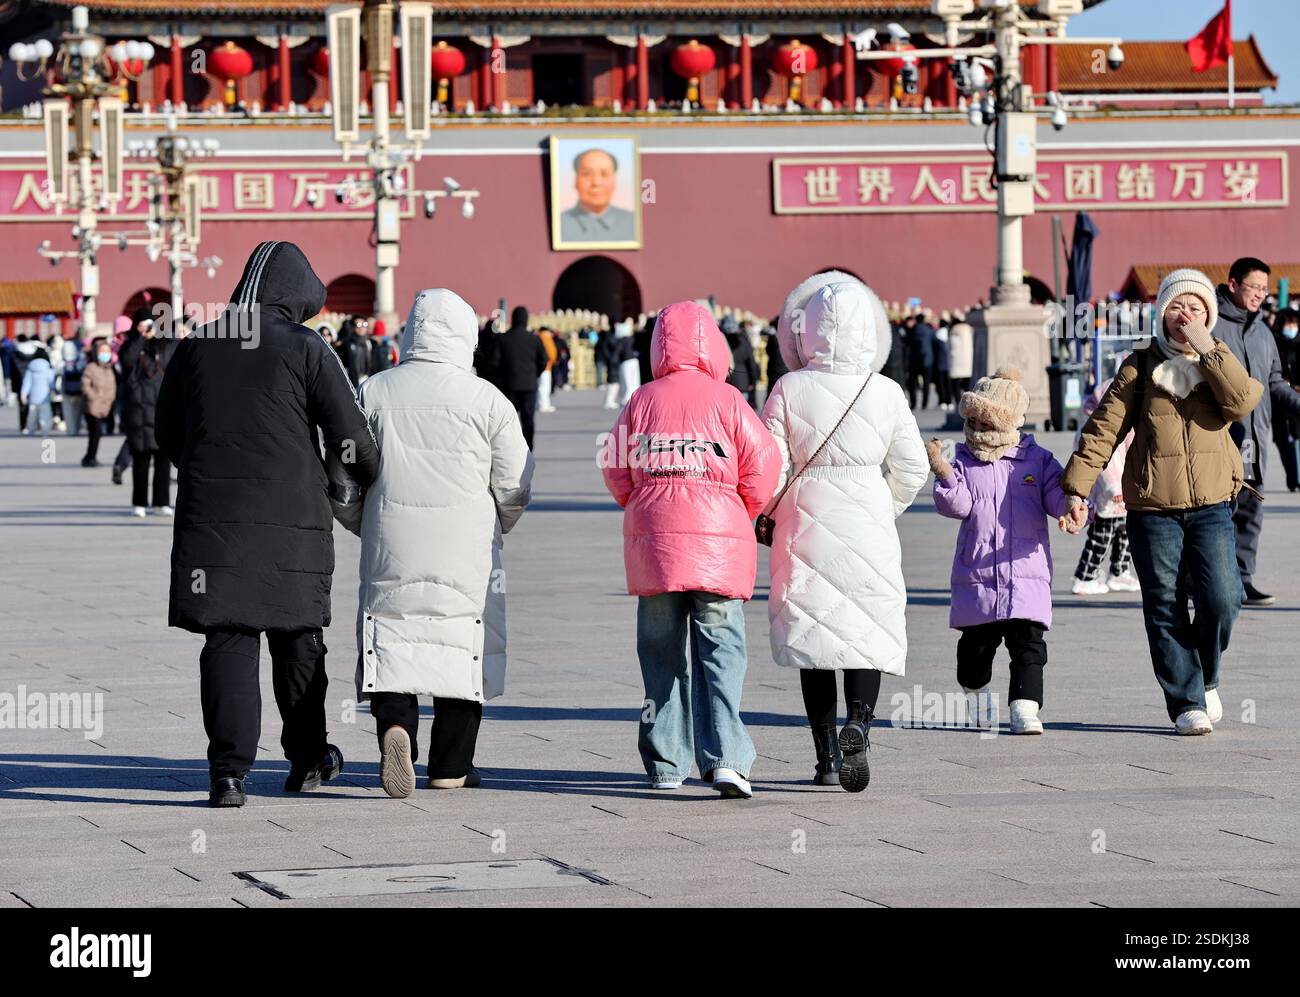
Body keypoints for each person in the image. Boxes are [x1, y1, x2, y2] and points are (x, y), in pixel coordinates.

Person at [157, 240, 380, 807]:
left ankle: (228, 774)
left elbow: (167, 436)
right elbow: (349, 433)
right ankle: (307, 759)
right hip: (294, 522)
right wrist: (369, 476)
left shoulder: (195, 346)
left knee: (228, 637)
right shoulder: (307, 347)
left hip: (213, 524)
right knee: (298, 637)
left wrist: (210, 472)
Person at [331, 289, 533, 797]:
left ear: (410, 334)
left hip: (390, 540)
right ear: (465, 337)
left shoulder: (372, 391)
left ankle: (396, 727)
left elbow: (341, 470)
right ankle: (450, 766)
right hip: (467, 547)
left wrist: (363, 520)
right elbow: (515, 482)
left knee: (393, 636)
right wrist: (499, 522)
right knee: (463, 644)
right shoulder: (488, 400)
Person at [1062, 269, 1263, 735]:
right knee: (1164, 603)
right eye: (1176, 307)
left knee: (1223, 597)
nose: (1185, 315)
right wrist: (1076, 488)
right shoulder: (1138, 366)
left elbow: (1240, 401)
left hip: (1212, 502)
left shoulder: (1220, 359)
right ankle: (1185, 701)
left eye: (1195, 307)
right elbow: (1103, 429)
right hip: (1153, 507)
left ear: (1209, 315)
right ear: (1161, 314)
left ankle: (1206, 675)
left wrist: (1208, 348)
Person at [601, 300, 780, 798]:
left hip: (655, 538)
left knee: (659, 655)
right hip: (719, 541)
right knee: (721, 650)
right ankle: (726, 759)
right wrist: (740, 507)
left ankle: (665, 763)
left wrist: (639, 499)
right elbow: (764, 462)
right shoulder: (727, 399)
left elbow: (614, 464)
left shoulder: (641, 400)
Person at [763, 273, 927, 791]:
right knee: (864, 635)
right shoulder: (886, 392)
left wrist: (771, 511)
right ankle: (860, 723)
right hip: (869, 524)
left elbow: (770, 468)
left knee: (816, 640)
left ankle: (826, 760)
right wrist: (886, 507)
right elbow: (913, 466)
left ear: (805, 331)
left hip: (805, 524)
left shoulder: (789, 388)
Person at [928, 366, 1076, 736]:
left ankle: (1024, 708)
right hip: (978, 571)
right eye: (973, 420)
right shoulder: (962, 459)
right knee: (975, 649)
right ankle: (975, 691)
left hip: (1025, 570)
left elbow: (1055, 494)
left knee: (1029, 644)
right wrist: (944, 472)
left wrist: (1070, 506)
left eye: (987, 422)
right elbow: (957, 506)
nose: (979, 430)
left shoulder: (1036, 459)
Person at [1213, 258, 1300, 606]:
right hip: (1219, 439)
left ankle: (1242, 579)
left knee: (1250, 514)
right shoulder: (1210, 325)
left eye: (1265, 290)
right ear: (1233, 285)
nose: (1260, 296)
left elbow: (1274, 383)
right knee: (1217, 514)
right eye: (1254, 288)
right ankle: (1201, 582)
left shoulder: (1264, 332)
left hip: (1256, 438)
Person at [1070, 376, 1140, 595]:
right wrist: (1114, 488)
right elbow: (1104, 465)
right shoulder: (1098, 428)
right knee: (1102, 536)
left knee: (1124, 535)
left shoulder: (1123, 425)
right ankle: (1086, 576)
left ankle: (1119, 572)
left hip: (1122, 494)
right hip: (1109, 494)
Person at [118, 308, 175, 516]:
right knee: (140, 460)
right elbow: (126, 362)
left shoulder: (165, 344)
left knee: (163, 460)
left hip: (161, 408)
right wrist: (140, 338)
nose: (149, 328)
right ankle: (139, 503)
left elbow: (174, 359)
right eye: (144, 324)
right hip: (138, 410)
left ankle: (162, 502)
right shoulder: (131, 345)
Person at [495, 305, 549, 449]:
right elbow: (544, 359)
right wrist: (534, 373)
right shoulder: (534, 339)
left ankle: (510, 449)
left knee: (508, 420)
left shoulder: (504, 338)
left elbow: (496, 362)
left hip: (509, 385)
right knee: (528, 419)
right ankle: (528, 448)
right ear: (526, 319)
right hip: (529, 385)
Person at [559, 148, 636, 242]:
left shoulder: (634, 223)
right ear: (575, 180)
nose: (596, 182)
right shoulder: (559, 224)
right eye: (587, 174)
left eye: (604, 174)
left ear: (615, 181)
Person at [1271, 309, 1300, 491]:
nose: (1291, 327)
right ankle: (1292, 476)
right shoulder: (1273, 342)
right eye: (1288, 323)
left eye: (1294, 323)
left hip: (1297, 398)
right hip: (1279, 399)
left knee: (1298, 438)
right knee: (1282, 439)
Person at [80, 338, 116, 467]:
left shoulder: (109, 368)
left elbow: (112, 386)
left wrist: (110, 398)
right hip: (92, 406)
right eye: (102, 351)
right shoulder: (91, 367)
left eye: (107, 351)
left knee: (96, 433)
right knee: (96, 432)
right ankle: (90, 457)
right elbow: (85, 385)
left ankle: (89, 456)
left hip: (105, 405)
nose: (105, 354)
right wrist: (93, 397)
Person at [722, 315, 759, 409]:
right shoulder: (744, 341)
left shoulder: (722, 340)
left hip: (726, 383)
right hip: (743, 382)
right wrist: (752, 381)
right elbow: (751, 363)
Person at [19, 344, 54, 436]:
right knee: (45, 415)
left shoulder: (31, 368)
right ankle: (45, 431)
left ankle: (31, 430)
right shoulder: (48, 368)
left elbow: (26, 383)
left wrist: (23, 394)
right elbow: (51, 383)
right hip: (45, 397)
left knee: (32, 415)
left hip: (33, 397)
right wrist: (54, 390)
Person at [906, 312, 935, 410]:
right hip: (927, 360)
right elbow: (934, 341)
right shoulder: (929, 330)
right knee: (926, 383)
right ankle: (924, 404)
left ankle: (913, 403)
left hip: (914, 361)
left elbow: (907, 342)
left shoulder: (912, 330)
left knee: (913, 383)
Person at [335, 316, 373, 389]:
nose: (362, 327)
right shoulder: (347, 344)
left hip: (366, 378)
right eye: (358, 325)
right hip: (351, 380)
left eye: (364, 324)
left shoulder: (369, 342)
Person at [948, 309, 974, 399]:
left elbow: (949, 346)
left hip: (956, 360)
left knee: (955, 383)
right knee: (967, 383)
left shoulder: (953, 330)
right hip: (968, 360)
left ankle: (957, 401)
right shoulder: (970, 329)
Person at [536, 325, 558, 413]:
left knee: (541, 386)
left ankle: (540, 404)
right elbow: (551, 353)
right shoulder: (546, 338)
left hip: (539, 365)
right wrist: (553, 360)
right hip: (547, 365)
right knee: (544, 387)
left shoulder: (538, 337)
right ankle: (544, 405)